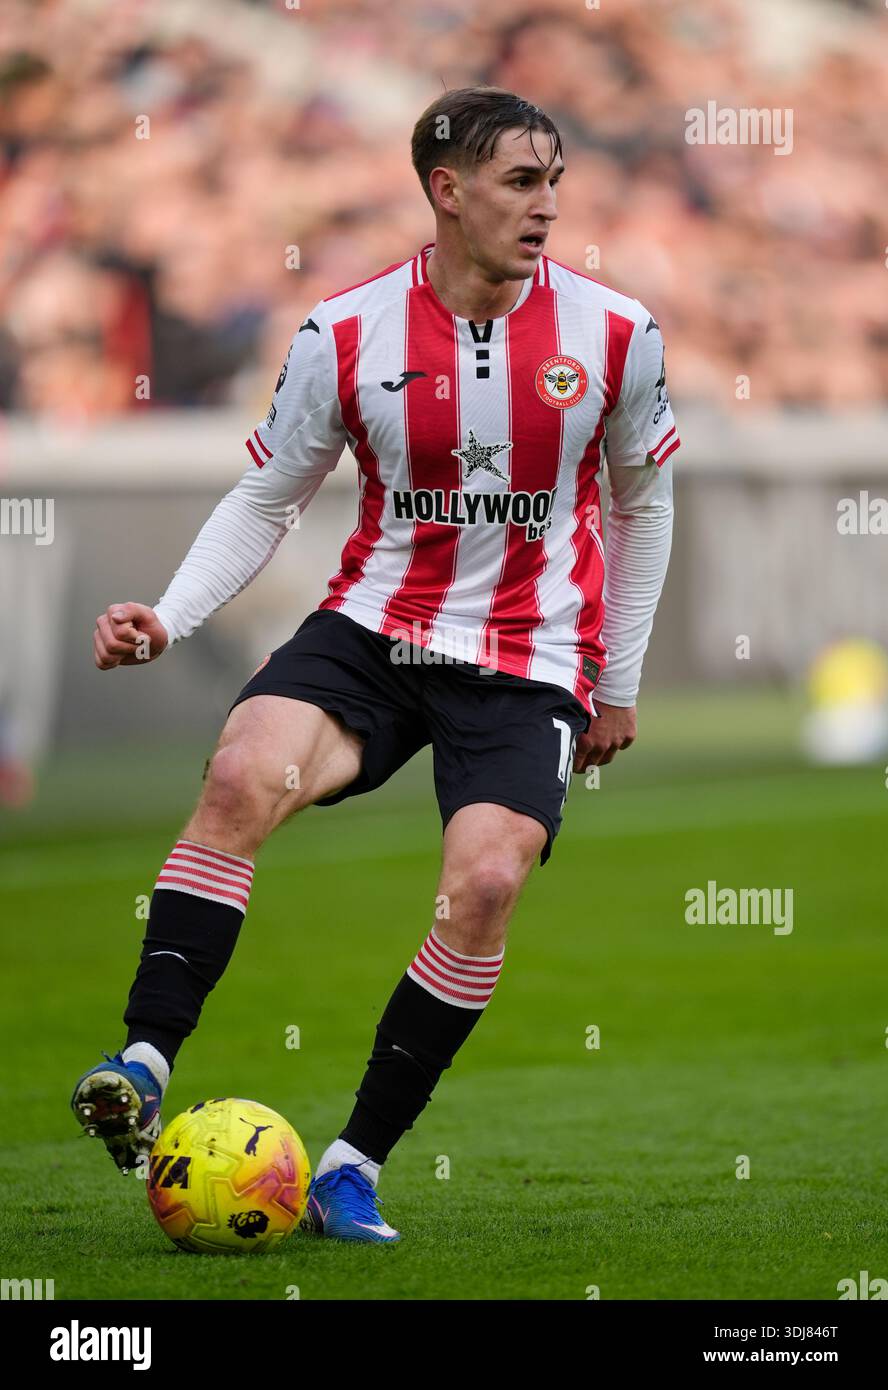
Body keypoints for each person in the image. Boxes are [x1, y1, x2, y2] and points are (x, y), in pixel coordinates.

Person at [72, 86, 679, 1243]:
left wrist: (621, 678)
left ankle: (353, 1161)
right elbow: (269, 494)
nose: (547, 205)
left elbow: (646, 507)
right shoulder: (345, 333)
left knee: (487, 884)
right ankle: (143, 1061)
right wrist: (170, 613)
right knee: (243, 770)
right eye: (520, 182)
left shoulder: (615, 333)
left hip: (531, 652)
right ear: (446, 191)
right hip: (376, 628)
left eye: (555, 181)